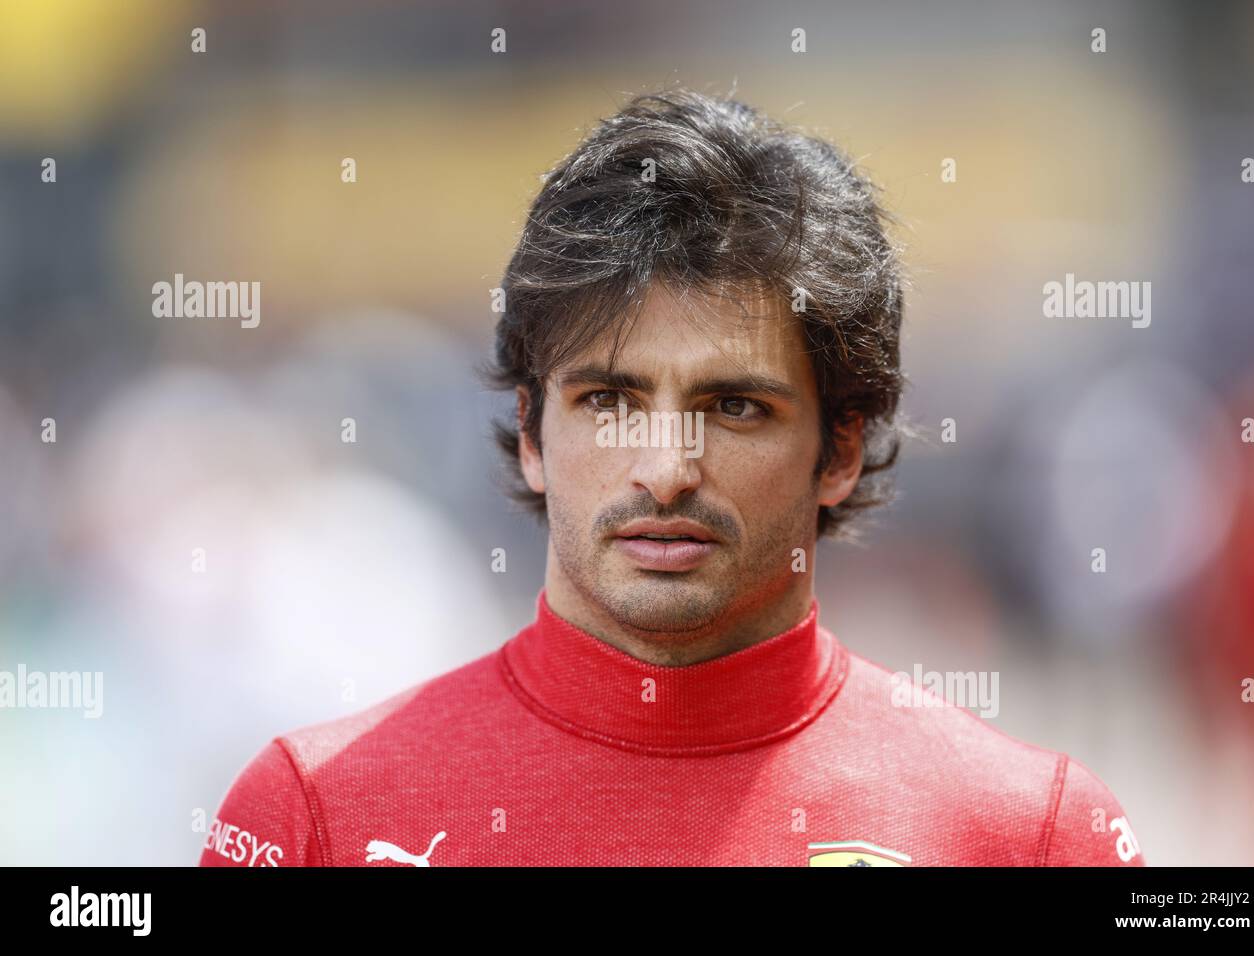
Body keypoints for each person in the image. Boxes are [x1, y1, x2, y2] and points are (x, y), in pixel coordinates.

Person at [200, 87, 1144, 867]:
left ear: (842, 447)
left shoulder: (1029, 836)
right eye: (610, 399)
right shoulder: (313, 819)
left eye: (736, 407)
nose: (666, 471)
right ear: (530, 429)